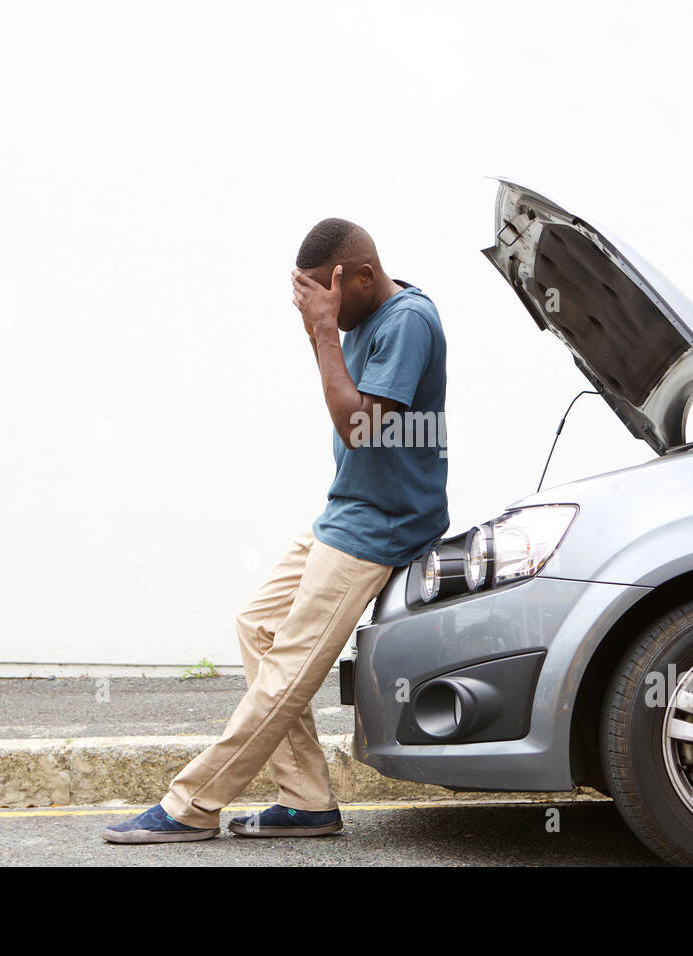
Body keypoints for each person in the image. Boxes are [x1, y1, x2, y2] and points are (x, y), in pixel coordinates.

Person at [102, 217, 449, 843]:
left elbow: (361, 428)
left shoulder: (408, 322)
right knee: (257, 624)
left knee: (288, 665)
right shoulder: (370, 318)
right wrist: (325, 326)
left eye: (326, 293)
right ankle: (307, 800)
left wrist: (321, 332)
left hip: (382, 526)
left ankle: (191, 804)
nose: (320, 309)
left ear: (362, 276)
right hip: (347, 511)